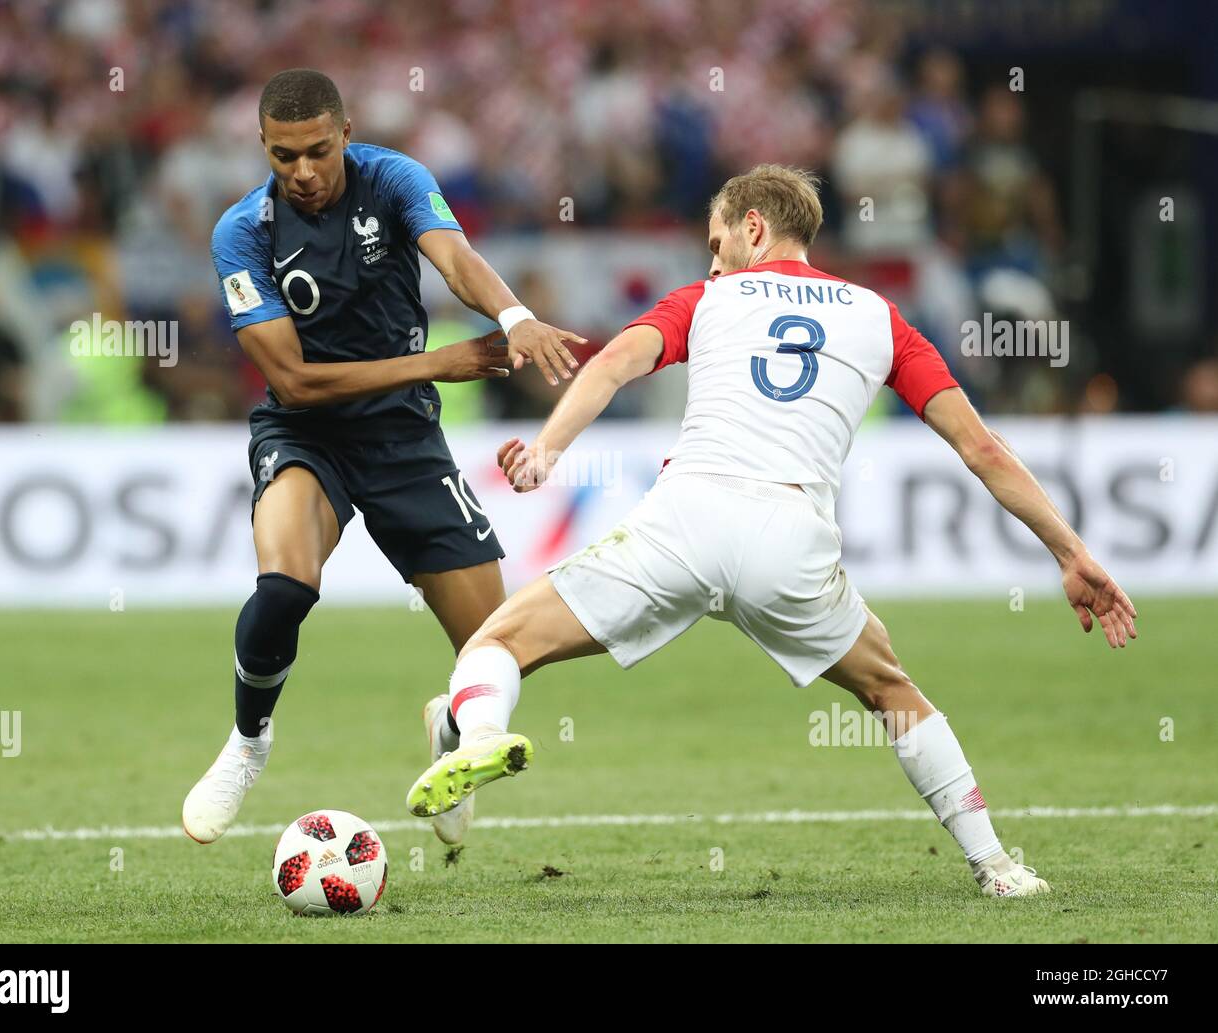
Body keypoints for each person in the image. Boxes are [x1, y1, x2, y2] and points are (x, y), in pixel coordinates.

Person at [405, 164, 1137, 898]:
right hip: (791, 544)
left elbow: (614, 366)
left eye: (717, 240)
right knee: (890, 687)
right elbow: (982, 450)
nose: (712, 259)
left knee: (495, 643)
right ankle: (997, 866)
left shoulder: (708, 297)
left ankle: (476, 735)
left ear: (753, 227)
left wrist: (545, 452)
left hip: (684, 522)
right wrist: (1070, 552)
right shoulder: (881, 317)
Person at [183, 69, 584, 847]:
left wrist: (515, 314)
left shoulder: (394, 178)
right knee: (287, 581)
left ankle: (450, 728)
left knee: (499, 650)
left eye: (317, 151)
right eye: (283, 156)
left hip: (403, 438)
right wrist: (439, 362)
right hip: (306, 432)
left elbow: (457, 259)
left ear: (346, 132)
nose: (301, 171)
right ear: (264, 148)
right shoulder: (243, 231)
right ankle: (249, 740)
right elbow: (293, 379)